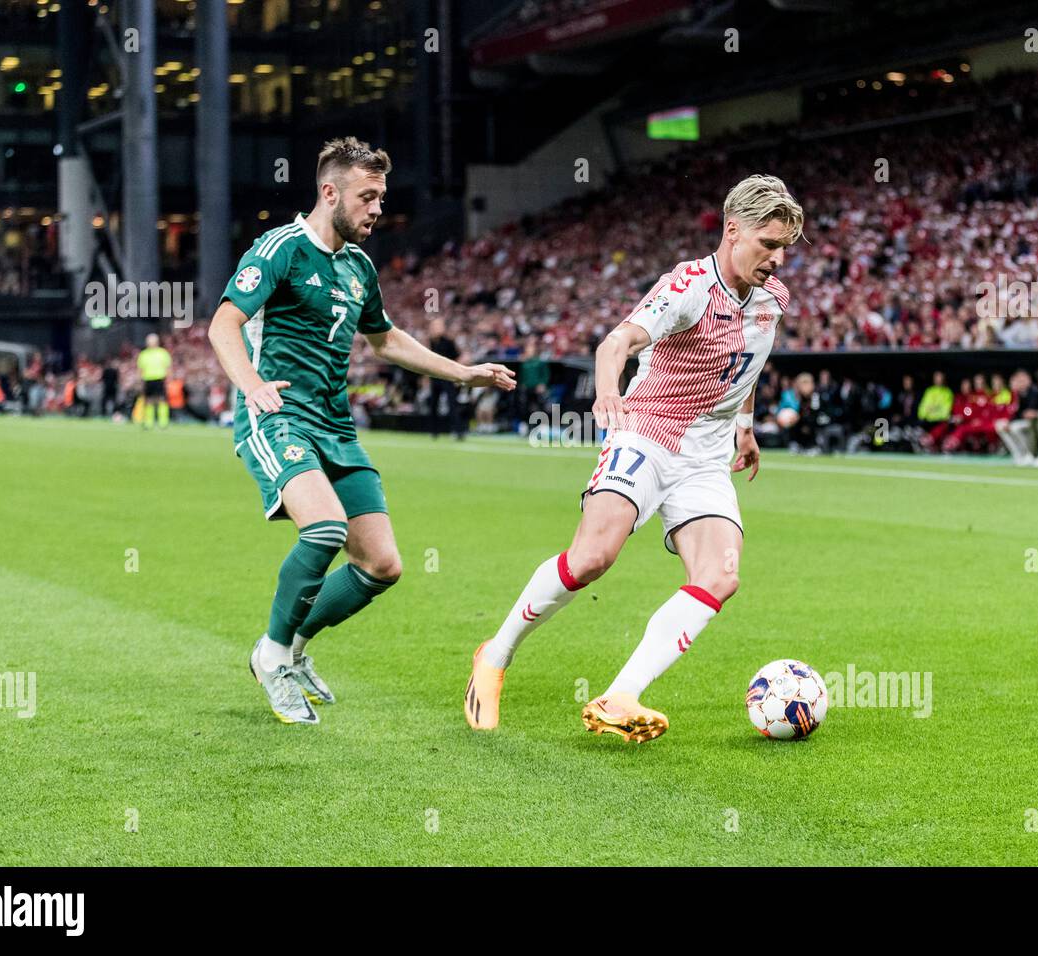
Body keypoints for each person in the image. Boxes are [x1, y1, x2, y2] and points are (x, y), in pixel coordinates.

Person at [464, 174, 803, 743]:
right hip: (645, 430)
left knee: (721, 574)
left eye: (784, 249)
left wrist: (745, 428)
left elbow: (749, 366)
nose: (777, 260)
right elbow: (614, 343)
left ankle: (621, 695)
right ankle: (494, 656)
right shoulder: (688, 285)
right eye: (767, 244)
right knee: (592, 558)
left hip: (706, 455)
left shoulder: (773, 300)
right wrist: (606, 392)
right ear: (732, 229)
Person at [207, 137, 515, 724]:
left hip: (335, 426)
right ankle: (270, 657)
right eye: (367, 197)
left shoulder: (358, 265)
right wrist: (252, 386)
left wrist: (462, 373)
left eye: (382, 197)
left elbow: (385, 339)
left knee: (383, 565)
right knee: (324, 530)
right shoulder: (279, 249)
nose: (378, 209)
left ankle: (294, 648)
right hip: (277, 416)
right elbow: (225, 325)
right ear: (330, 193)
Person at [995, 368, 1038, 464]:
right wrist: (1009, 422)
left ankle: (1028, 454)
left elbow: (1030, 412)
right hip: (1022, 421)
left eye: (1023, 380)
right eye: (1019, 381)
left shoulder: (1035, 391)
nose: (1021, 383)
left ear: (1029, 380)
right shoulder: (1019, 394)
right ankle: (1017, 454)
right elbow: (1017, 413)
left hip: (1036, 421)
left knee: (1015, 428)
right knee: (1000, 426)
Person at [136, 333, 173, 429]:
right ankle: (149, 422)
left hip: (160, 378)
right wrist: (140, 381)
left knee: (162, 400)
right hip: (148, 379)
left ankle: (163, 422)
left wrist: (169, 379)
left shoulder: (163, 353)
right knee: (148, 401)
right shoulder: (143, 354)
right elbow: (140, 369)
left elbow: (168, 367)